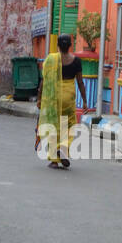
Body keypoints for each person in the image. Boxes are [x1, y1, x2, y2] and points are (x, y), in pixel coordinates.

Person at [36, 34, 86, 168]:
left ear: (57, 45)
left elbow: (44, 80)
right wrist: (85, 101)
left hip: (54, 97)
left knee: (54, 124)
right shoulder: (76, 61)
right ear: (70, 46)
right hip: (68, 97)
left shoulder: (51, 59)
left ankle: (54, 160)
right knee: (68, 125)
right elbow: (80, 82)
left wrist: (40, 98)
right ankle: (63, 149)